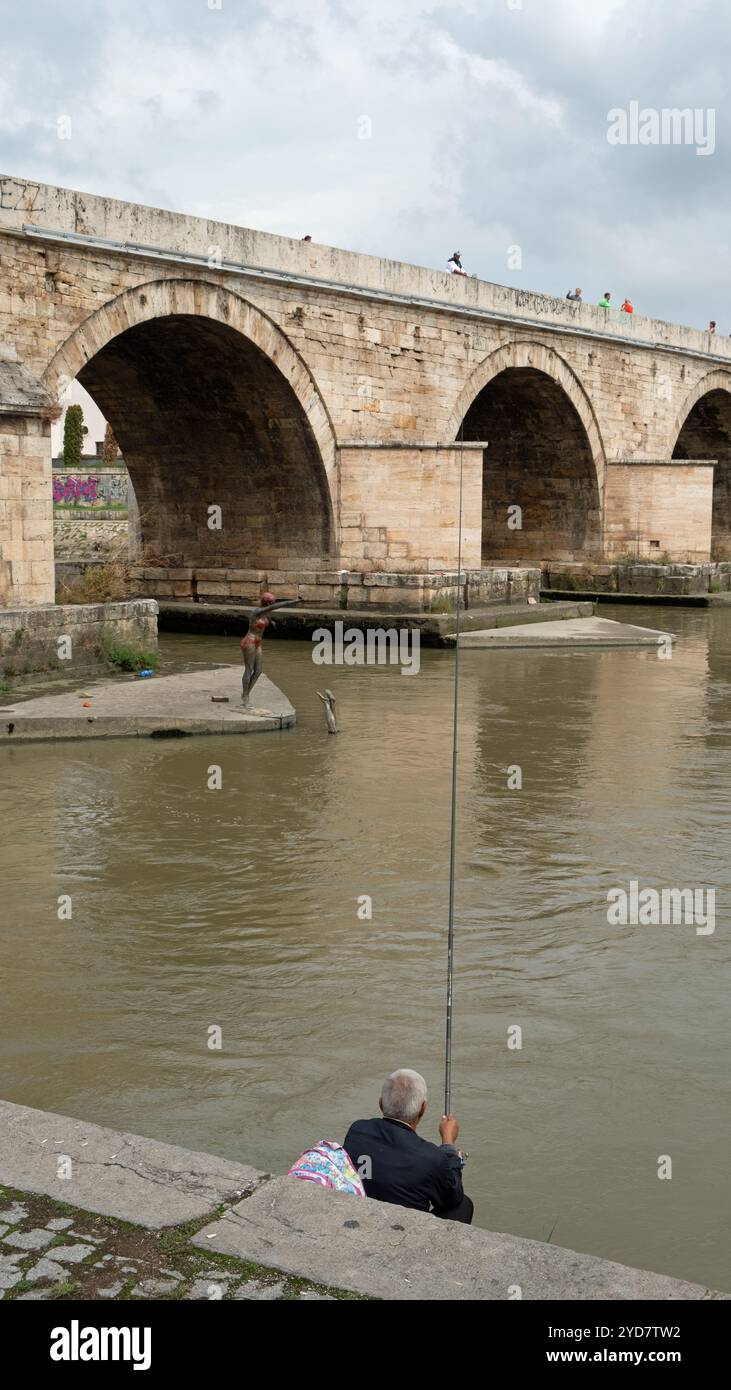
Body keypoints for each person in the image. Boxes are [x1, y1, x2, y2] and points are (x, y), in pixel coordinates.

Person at [343, 1068, 473, 1223]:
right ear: (423, 1108)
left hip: (359, 1217)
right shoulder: (431, 1157)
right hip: (401, 1230)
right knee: (463, 1205)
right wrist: (448, 1143)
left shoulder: (357, 1130)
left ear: (380, 1103)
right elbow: (453, 1197)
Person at [240, 591, 304, 705]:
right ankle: (245, 696)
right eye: (271, 603)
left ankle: (246, 693)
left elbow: (267, 618)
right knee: (249, 669)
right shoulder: (257, 611)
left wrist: (272, 622)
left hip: (258, 642)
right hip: (249, 641)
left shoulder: (265, 613)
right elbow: (277, 606)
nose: (272, 605)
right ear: (267, 603)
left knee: (258, 671)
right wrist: (294, 601)